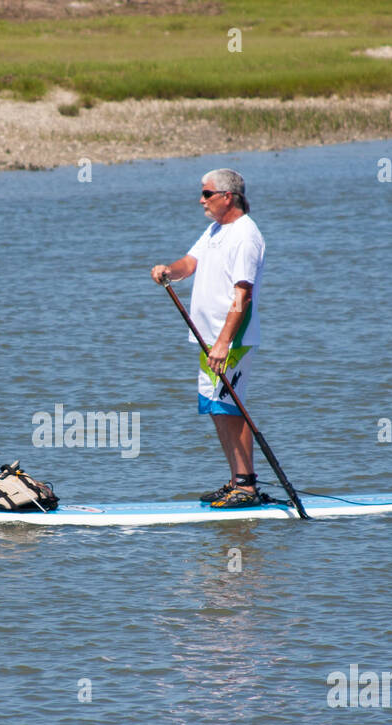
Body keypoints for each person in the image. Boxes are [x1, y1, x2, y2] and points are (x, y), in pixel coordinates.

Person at [150, 168, 266, 508]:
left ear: (227, 196)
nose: (201, 200)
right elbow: (190, 262)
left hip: (231, 339)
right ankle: (235, 482)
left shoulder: (246, 236)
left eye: (206, 194)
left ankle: (246, 487)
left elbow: (242, 296)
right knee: (217, 407)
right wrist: (169, 271)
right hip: (208, 338)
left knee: (231, 406)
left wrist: (223, 342)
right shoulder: (216, 229)